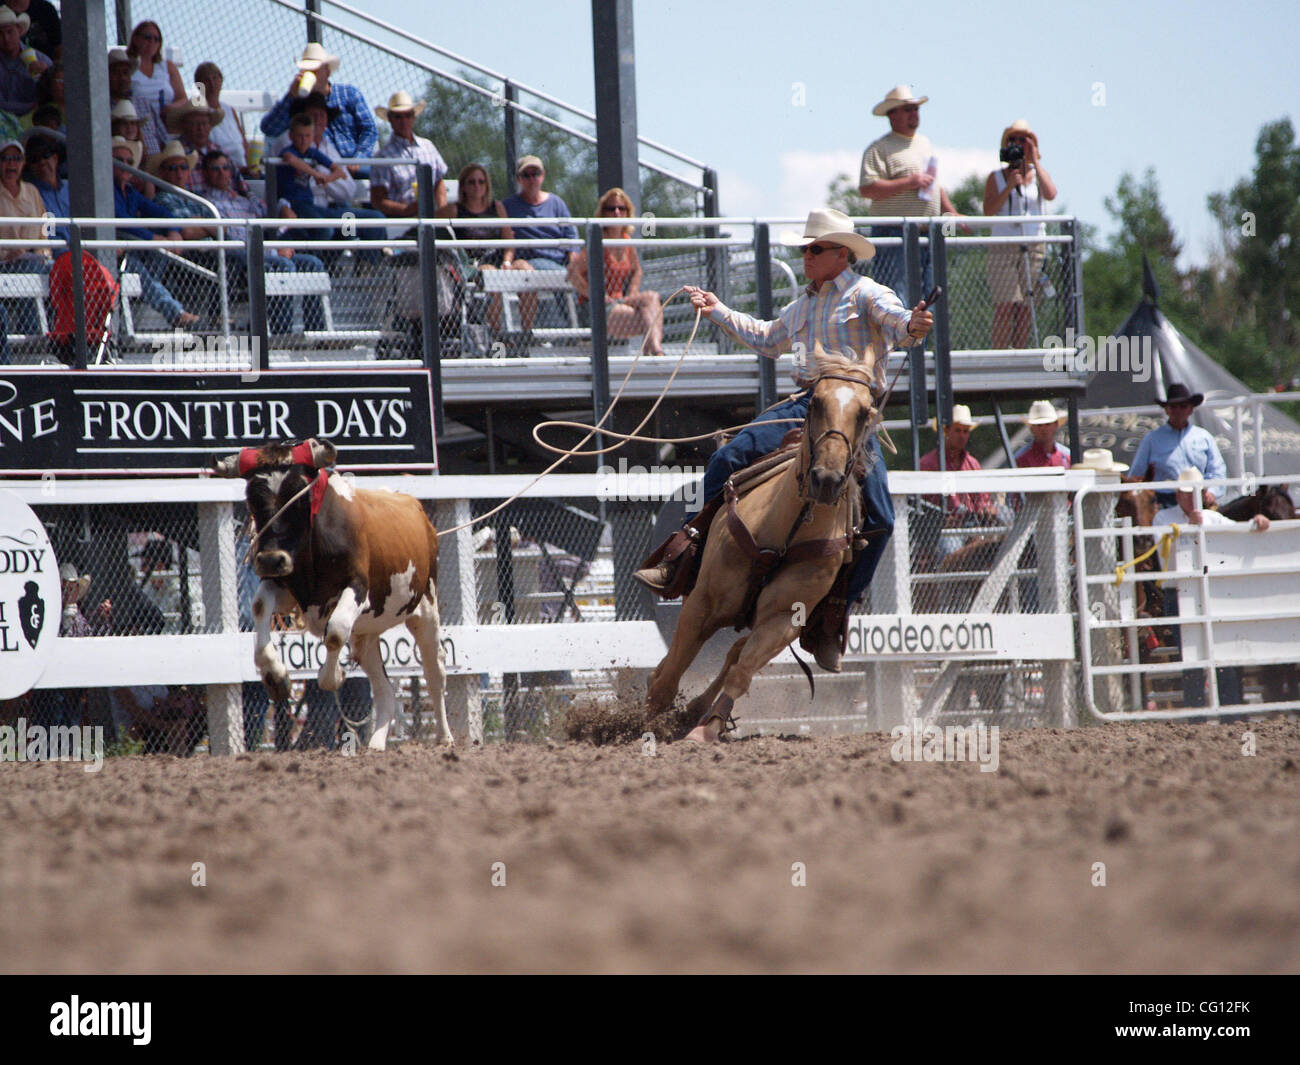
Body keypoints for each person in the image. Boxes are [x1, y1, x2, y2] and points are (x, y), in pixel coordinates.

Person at [635, 207, 933, 674]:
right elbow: (767, 337)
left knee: (881, 517)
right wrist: (717, 311)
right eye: (804, 249)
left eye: (814, 249)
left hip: (851, 414)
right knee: (727, 458)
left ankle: (834, 613)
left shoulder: (867, 294)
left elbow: (899, 323)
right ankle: (685, 550)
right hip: (806, 404)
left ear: (841, 253)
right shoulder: (802, 306)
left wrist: (913, 326)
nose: (805, 256)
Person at [1154, 466, 1269, 708]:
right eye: (1185, 493)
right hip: (1180, 593)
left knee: (1223, 656)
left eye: (1194, 492)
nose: (1189, 497)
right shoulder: (1163, 519)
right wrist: (1189, 528)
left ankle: (1229, 713)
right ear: (1177, 495)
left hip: (1211, 593)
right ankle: (1196, 715)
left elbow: (1238, 534)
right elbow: (1166, 558)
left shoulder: (1213, 519)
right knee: (1192, 658)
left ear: (1203, 493)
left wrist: (1255, 523)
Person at [198, 148, 327, 334]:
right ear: (206, 173)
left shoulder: (244, 199)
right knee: (283, 265)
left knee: (312, 264)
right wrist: (274, 251)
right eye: (215, 169)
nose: (222, 173)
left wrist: (284, 208)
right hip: (242, 257)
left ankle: (318, 333)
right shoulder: (209, 203)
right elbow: (233, 239)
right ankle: (282, 334)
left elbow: (268, 214)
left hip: (266, 251)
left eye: (225, 168)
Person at [858, 85, 959, 301]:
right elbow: (867, 188)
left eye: (916, 109)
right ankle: (899, 335)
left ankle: (925, 336)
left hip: (928, 231)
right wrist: (910, 182)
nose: (914, 114)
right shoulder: (879, 148)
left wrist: (951, 213)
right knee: (895, 295)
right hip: (893, 232)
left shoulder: (925, 143)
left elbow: (934, 185)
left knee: (932, 295)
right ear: (891, 114)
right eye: (908, 109)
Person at [112, 135, 199, 329]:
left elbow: (164, 214)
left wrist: (174, 231)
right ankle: (175, 313)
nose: (125, 165)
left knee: (153, 252)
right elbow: (122, 222)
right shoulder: (105, 190)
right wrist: (154, 238)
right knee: (133, 264)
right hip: (112, 253)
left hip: (131, 248)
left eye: (129, 161)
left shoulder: (131, 191)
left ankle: (152, 293)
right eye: (119, 161)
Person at [984, 120, 1058, 348]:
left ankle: (1020, 354)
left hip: (1034, 245)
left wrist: (1034, 161)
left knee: (1026, 305)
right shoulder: (995, 177)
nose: (1017, 145)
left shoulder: (1038, 175)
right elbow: (988, 211)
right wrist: (1008, 186)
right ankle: (1000, 356)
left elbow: (1051, 194)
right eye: (1012, 140)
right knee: (1006, 304)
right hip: (1003, 246)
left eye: (1022, 140)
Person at [567, 186, 665, 356]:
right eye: (611, 209)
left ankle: (655, 349)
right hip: (597, 307)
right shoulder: (597, 242)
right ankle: (653, 350)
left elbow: (637, 270)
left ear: (628, 212)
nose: (617, 212)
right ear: (603, 213)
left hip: (620, 300)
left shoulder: (626, 241)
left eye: (622, 208)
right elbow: (572, 274)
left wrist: (633, 292)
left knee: (652, 298)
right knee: (649, 317)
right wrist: (595, 295)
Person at [260, 42, 377, 172]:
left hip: (354, 163)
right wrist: (291, 95)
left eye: (314, 71)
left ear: (327, 72)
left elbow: (369, 129)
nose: (310, 76)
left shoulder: (349, 93)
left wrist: (359, 158)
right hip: (321, 166)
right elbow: (269, 129)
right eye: (306, 71)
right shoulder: (299, 102)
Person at [502, 154, 578, 330]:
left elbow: (571, 237)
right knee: (549, 274)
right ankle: (530, 334)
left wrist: (574, 262)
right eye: (526, 175)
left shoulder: (556, 203)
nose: (531, 179)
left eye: (535, 174)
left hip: (558, 261)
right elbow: (506, 237)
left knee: (578, 275)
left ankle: (580, 328)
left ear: (542, 176)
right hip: (528, 261)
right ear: (518, 179)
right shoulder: (508, 206)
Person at [919, 404, 1005, 562]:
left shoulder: (973, 464)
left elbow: (982, 500)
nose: (962, 436)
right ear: (946, 431)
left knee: (1000, 540)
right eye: (957, 430)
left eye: (966, 431)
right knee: (951, 552)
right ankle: (951, 584)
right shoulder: (928, 464)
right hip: (946, 531)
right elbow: (924, 507)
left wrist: (987, 509)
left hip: (974, 526)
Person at [1129, 382, 1228, 507]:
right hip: (1163, 503)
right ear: (1166, 410)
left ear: (1191, 409)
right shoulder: (1151, 439)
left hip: (1200, 499)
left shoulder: (1204, 437)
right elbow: (1137, 475)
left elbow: (1217, 470)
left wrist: (1212, 492)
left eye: (1183, 406)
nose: (1178, 410)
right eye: (1173, 406)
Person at [369, 90, 447, 217]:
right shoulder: (382, 157)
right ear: (390, 119)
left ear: (414, 117)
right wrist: (407, 210)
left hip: (431, 218)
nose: (403, 121)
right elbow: (378, 200)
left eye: (407, 115)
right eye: (398, 116)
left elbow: (439, 181)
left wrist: (442, 211)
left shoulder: (428, 146)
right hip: (400, 221)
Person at [126, 20, 184, 155]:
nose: (152, 42)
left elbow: (182, 98)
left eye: (156, 39)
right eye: (147, 37)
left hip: (166, 123)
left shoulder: (167, 66)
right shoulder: (127, 65)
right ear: (135, 38)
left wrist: (171, 108)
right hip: (140, 124)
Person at [193, 61, 249, 174]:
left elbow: (243, 142)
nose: (212, 84)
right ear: (199, 85)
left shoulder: (229, 109)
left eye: (215, 78)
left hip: (243, 168)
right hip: (219, 171)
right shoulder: (198, 111)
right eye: (207, 80)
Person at [0, 4, 49, 118]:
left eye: (10, 31)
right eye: (0, 34)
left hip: (35, 118)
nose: (6, 39)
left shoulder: (41, 59)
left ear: (19, 30)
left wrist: (47, 76)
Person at [1014, 399, 1072, 468]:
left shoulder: (1067, 456)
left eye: (1048, 424)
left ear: (1056, 425)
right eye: (1039, 425)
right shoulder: (1021, 459)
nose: (1043, 429)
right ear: (1032, 429)